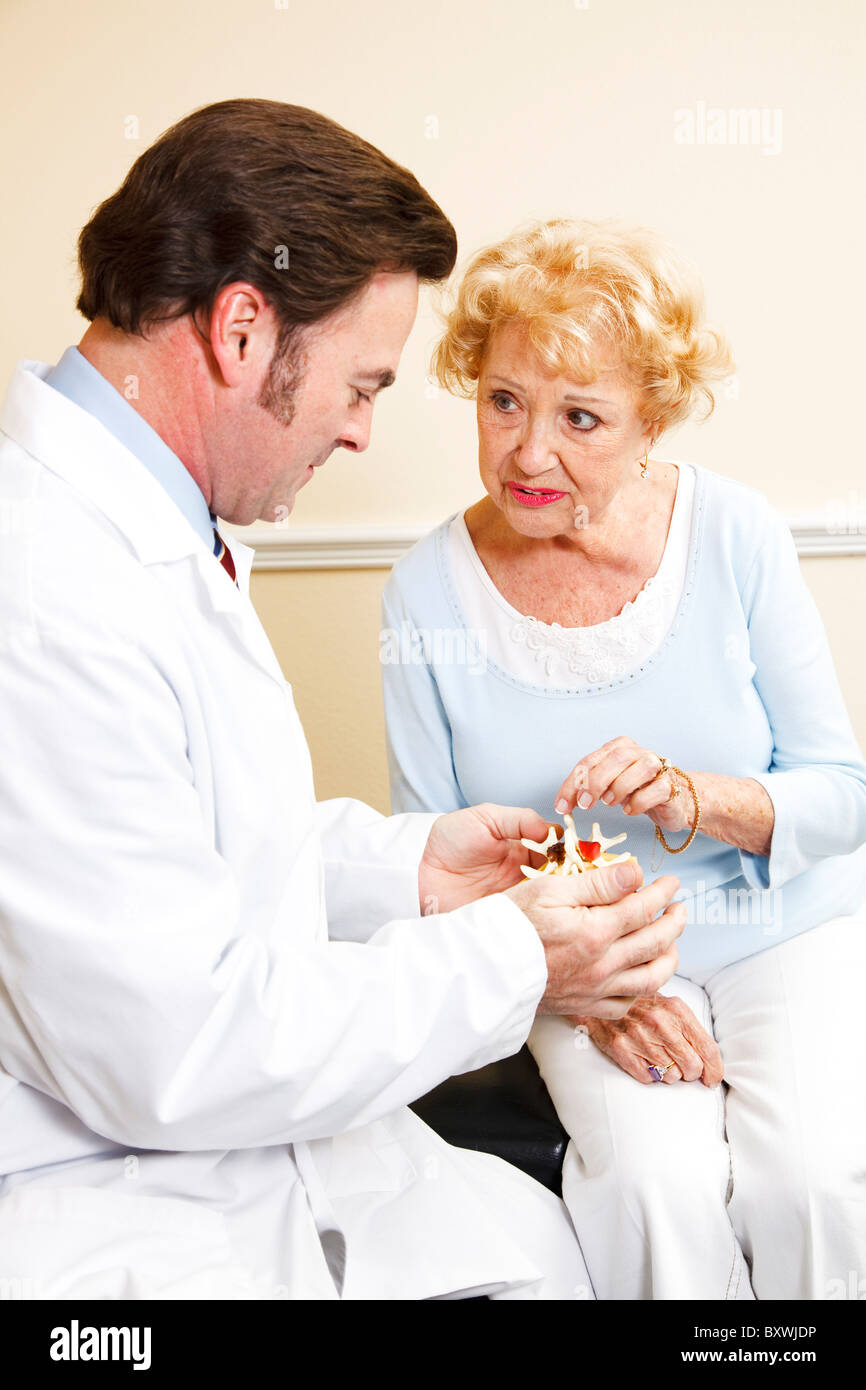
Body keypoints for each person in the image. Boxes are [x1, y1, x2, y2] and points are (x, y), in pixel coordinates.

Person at [0, 103, 685, 1302]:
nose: (364, 431)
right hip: (122, 1202)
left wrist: (416, 872)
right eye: (361, 384)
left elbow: (182, 851)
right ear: (243, 328)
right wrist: (515, 957)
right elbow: (177, 1046)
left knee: (554, 1251)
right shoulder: (44, 592)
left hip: (249, 1152)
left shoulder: (158, 528)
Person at [381, 217, 866, 1299]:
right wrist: (592, 983)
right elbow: (425, 858)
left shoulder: (735, 535)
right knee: (652, 1189)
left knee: (815, 1184)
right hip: (578, 968)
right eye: (501, 400)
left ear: (651, 421)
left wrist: (701, 797)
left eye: (579, 417)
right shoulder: (423, 591)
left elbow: (843, 796)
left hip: (779, 934)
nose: (526, 451)